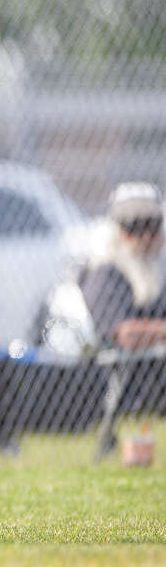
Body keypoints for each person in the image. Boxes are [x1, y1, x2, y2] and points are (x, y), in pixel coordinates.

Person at [79, 182, 166, 454]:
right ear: (118, 230)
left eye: (152, 225)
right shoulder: (106, 269)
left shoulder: (158, 268)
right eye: (134, 226)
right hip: (122, 375)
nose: (145, 236)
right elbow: (123, 334)